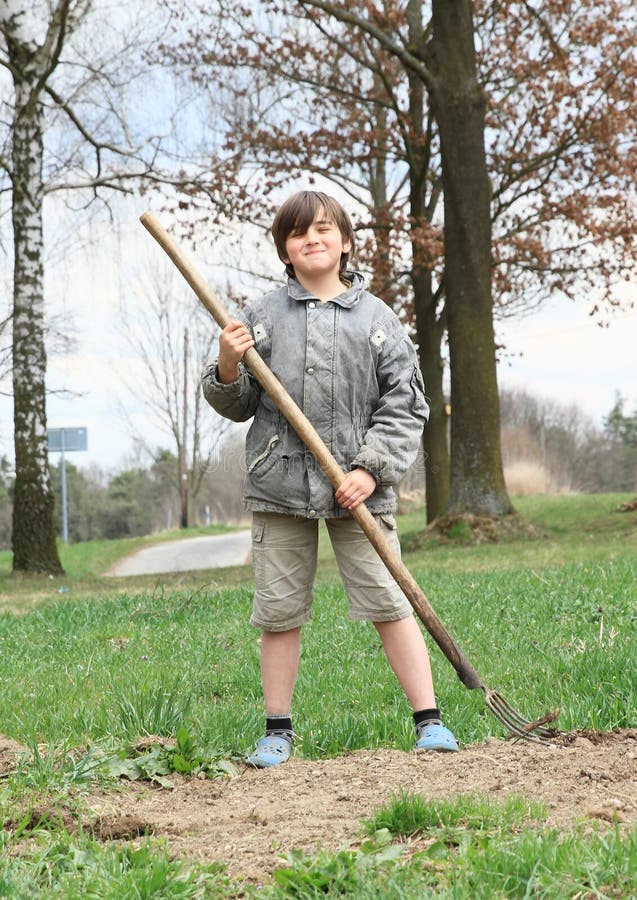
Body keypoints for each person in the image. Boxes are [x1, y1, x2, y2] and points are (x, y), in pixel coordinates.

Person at [201, 190, 458, 767]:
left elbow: (405, 403)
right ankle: (277, 731)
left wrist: (371, 469)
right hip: (280, 488)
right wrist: (226, 362)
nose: (311, 239)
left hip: (358, 491)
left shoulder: (377, 319)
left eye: (323, 229)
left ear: (345, 242)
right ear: (284, 251)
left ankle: (430, 721)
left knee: (391, 602)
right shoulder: (261, 319)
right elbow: (238, 404)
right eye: (297, 234)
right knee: (279, 613)